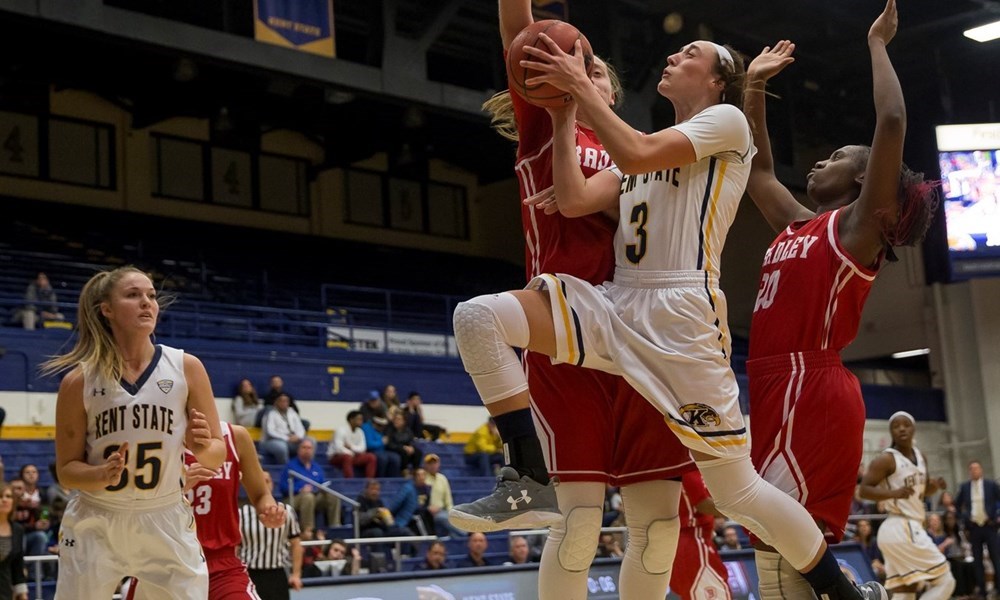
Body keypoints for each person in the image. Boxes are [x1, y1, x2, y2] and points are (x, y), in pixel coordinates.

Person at [450, 10, 884, 600]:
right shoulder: (645, 149)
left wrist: (579, 87)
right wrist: (561, 112)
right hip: (616, 303)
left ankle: (840, 589)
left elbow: (630, 153)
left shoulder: (725, 122)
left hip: (682, 318)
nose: (674, 57)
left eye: (690, 54)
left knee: (737, 493)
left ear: (715, 82)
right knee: (476, 316)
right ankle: (526, 472)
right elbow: (576, 200)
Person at [740, 2, 939, 595]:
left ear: (862, 178)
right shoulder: (800, 224)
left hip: (811, 383)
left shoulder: (858, 230)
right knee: (771, 538)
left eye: (836, 158)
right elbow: (757, 173)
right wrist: (752, 88)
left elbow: (893, 121)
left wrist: (877, 44)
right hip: (775, 382)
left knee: (785, 539)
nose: (822, 161)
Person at [41, 265, 226, 600]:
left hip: (165, 515)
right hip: (97, 517)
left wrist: (202, 447)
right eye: (133, 295)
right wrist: (99, 473)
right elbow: (67, 471)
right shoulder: (79, 381)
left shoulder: (187, 367)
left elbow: (217, 452)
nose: (147, 302)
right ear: (107, 309)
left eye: (152, 296)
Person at [125, 421, 286, 600]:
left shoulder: (234, 436)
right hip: (162, 564)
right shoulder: (149, 437)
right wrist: (175, 489)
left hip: (221, 566)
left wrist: (269, 510)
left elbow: (261, 494)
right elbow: (130, 509)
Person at [858, 412, 954, 600]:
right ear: (891, 432)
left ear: (913, 428)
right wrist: (893, 493)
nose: (901, 428)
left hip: (902, 529)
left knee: (906, 591)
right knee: (946, 581)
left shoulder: (921, 457)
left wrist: (935, 486)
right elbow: (864, 490)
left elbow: (922, 490)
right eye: (896, 426)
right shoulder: (886, 459)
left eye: (906, 425)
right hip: (901, 526)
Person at [239, 471, 304, 600]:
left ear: (272, 485)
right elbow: (235, 548)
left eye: (267, 481)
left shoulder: (286, 511)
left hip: (277, 574)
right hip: (249, 574)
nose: (264, 485)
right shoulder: (241, 513)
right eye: (260, 481)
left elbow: (296, 544)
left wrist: (296, 574)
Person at [670, 471, 731, 600]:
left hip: (683, 539)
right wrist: (742, 511)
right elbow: (702, 503)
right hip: (692, 538)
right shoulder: (687, 464)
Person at [954, 459, 1000, 598]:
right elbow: (957, 505)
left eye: (977, 468)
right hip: (974, 527)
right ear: (969, 472)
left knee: (996, 558)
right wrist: (964, 517)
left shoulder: (991, 485)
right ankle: (982, 590)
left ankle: (999, 587)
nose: (975, 471)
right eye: (972, 469)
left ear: (981, 470)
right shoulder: (965, 487)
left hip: (990, 525)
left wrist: (998, 515)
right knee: (977, 560)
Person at [279, 438, 340, 538]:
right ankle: (308, 530)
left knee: (333, 495)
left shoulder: (316, 467)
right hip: (293, 498)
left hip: (315, 495)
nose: (307, 450)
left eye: (309, 448)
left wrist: (322, 488)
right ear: (299, 450)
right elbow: (283, 487)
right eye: (304, 447)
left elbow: (321, 482)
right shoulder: (290, 466)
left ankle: (335, 527)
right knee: (308, 497)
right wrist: (299, 489)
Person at [327, 410, 377, 479]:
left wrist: (351, 447)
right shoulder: (340, 430)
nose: (361, 421)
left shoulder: (360, 431)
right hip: (336, 457)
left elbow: (363, 448)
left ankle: (369, 481)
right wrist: (351, 452)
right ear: (351, 420)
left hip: (353, 455)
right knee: (347, 457)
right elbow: (338, 449)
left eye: (362, 419)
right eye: (358, 419)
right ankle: (350, 482)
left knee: (371, 457)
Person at [0, 484, 28, 600]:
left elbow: (17, 565)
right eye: (0, 496)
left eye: (8, 496)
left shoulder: (17, 530)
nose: (4, 500)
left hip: (4, 591)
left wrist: (22, 594)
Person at [261, 393, 306, 465]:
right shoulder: (270, 414)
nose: (284, 403)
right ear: (276, 402)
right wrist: (287, 438)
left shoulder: (292, 412)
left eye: (286, 401)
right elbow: (271, 431)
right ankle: (286, 468)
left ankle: (304, 467)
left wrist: (298, 437)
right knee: (281, 447)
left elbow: (300, 428)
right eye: (281, 401)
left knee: (309, 442)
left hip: (292, 439)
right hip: (272, 441)